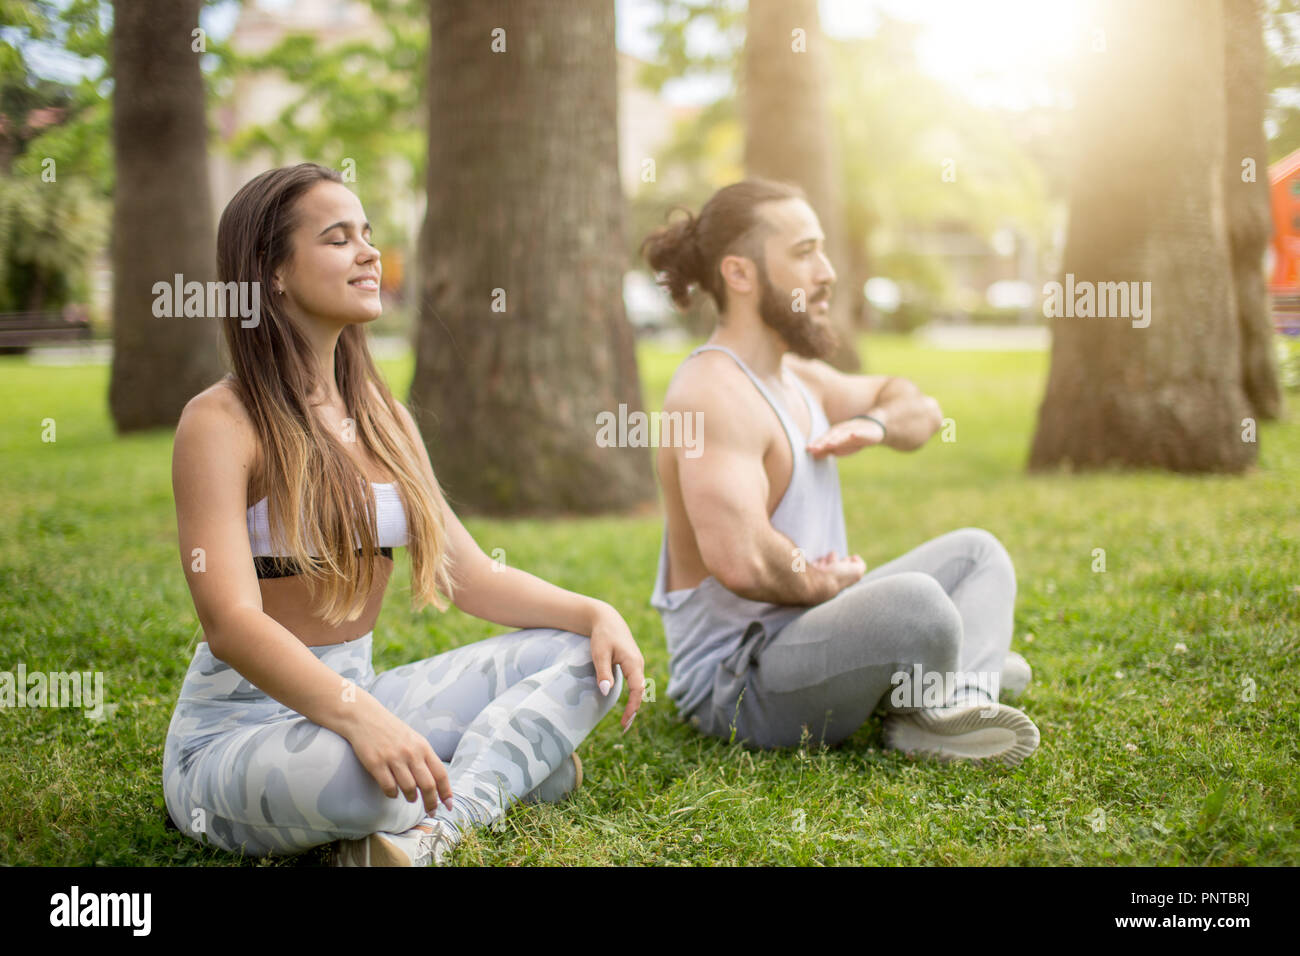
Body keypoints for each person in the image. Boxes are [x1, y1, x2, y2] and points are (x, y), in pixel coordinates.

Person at [163, 162, 646, 866]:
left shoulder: (384, 419)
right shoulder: (220, 421)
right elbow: (231, 624)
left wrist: (594, 611)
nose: (368, 253)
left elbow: (470, 576)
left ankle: (437, 830)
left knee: (582, 660)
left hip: (362, 697)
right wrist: (363, 723)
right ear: (272, 273)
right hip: (238, 732)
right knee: (370, 784)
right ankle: (496, 774)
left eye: (368, 234)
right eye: (337, 238)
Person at [640, 179, 1039, 765]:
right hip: (737, 685)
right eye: (804, 253)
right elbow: (741, 558)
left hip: (810, 632)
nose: (826, 271)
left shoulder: (800, 377)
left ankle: (948, 704)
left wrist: (876, 424)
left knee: (980, 556)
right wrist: (826, 583)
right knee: (920, 608)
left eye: (822, 249)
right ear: (740, 274)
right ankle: (940, 678)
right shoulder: (710, 393)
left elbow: (917, 407)